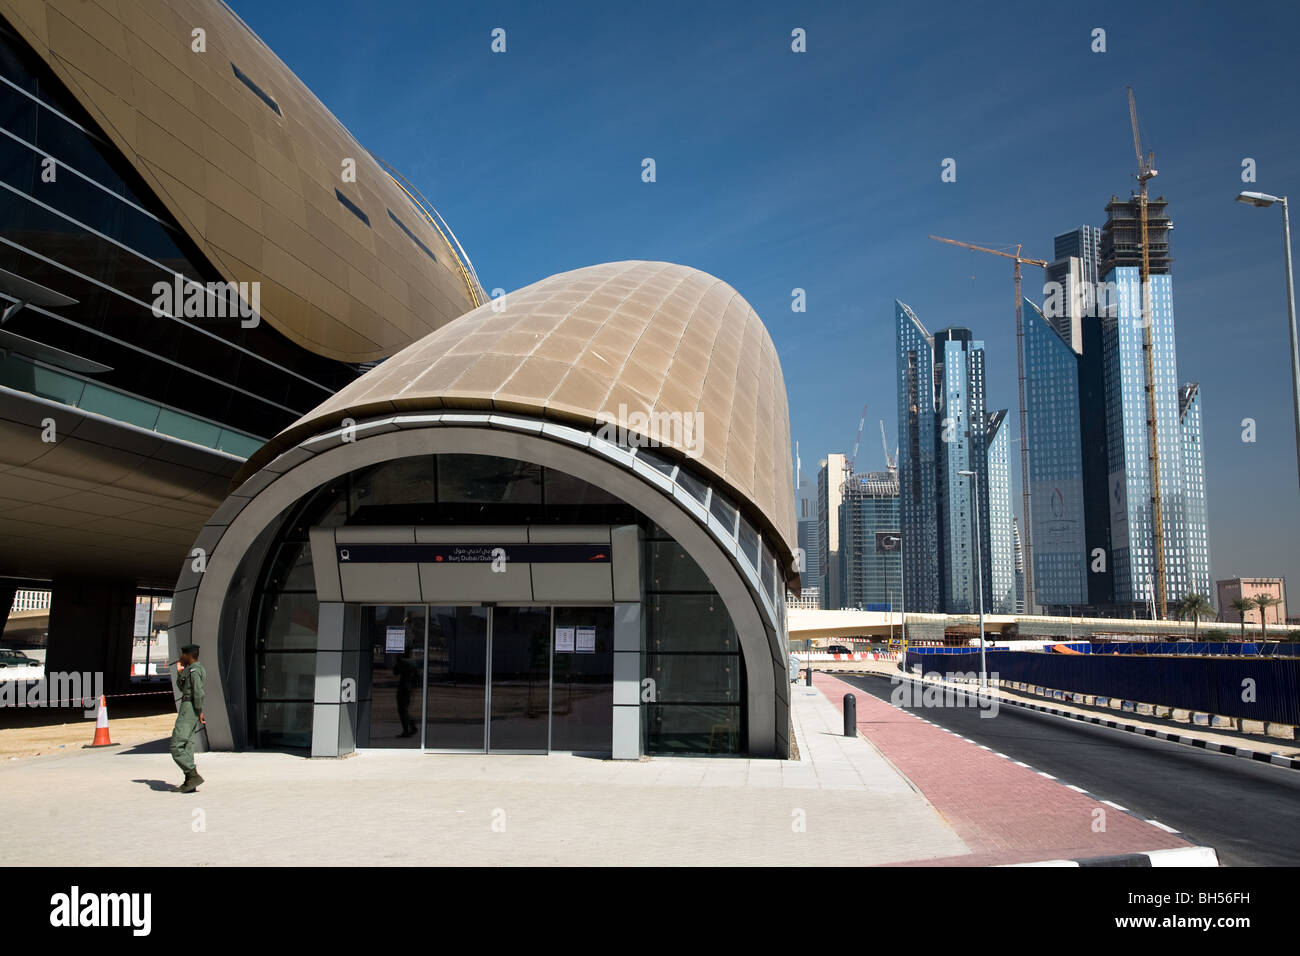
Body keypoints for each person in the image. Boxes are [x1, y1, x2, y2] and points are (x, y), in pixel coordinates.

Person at [170, 643, 206, 793]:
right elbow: (182, 689)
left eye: (183, 654)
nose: (180, 657)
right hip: (189, 706)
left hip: (190, 707)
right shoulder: (190, 670)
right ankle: (189, 780)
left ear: (189, 655)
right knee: (187, 745)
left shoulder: (195, 670)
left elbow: (198, 692)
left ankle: (192, 774)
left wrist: (199, 710)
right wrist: (179, 673)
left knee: (176, 745)